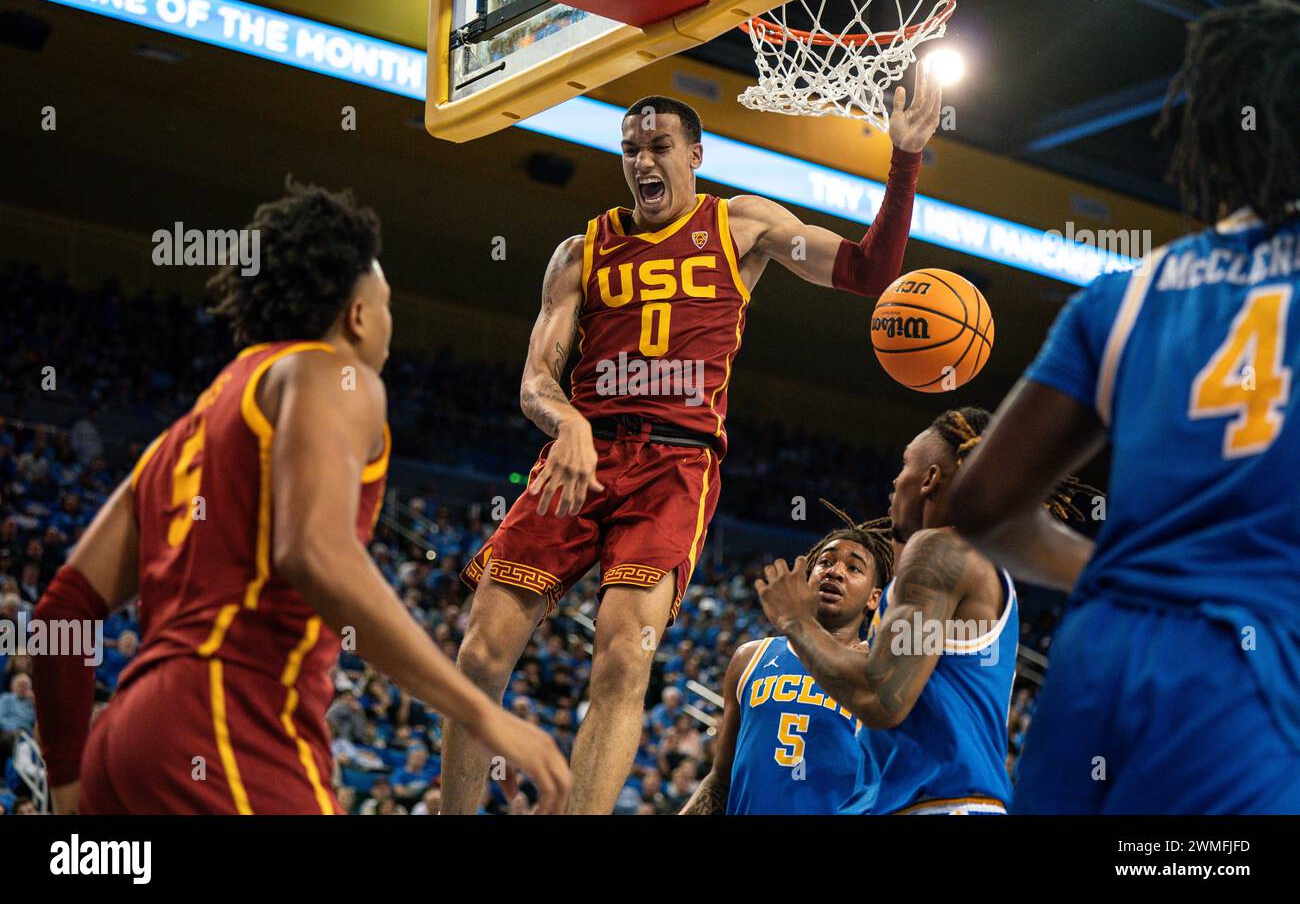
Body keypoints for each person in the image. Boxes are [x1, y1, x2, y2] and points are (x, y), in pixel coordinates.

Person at [443, 74, 944, 815]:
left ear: (696, 154)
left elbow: (870, 272)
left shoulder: (742, 226)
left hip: (675, 463)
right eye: (630, 149)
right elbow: (535, 382)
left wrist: (904, 160)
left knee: (621, 660)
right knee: (478, 655)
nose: (644, 162)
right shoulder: (578, 253)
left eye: (659, 146)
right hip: (579, 454)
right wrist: (569, 423)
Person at [31, 181, 570, 814]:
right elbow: (314, 555)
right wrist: (481, 710)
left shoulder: (185, 434)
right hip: (232, 730)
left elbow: (62, 610)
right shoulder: (333, 375)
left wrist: (70, 785)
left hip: (123, 746)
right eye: (388, 305)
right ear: (359, 315)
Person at [948, 0, 1300, 814]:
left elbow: (985, 504)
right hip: (1251, 670)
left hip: (1097, 662)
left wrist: (1117, 576)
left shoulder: (1128, 295)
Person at [757, 408, 1095, 814]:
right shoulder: (967, 562)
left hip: (942, 803)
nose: (896, 481)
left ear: (931, 479)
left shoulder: (938, 549)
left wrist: (796, 620)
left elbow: (880, 696)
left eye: (904, 466)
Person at [681, 509, 892, 814]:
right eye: (826, 562)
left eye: (854, 568)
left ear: (874, 598)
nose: (835, 572)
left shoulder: (882, 670)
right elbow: (719, 781)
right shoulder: (750, 658)